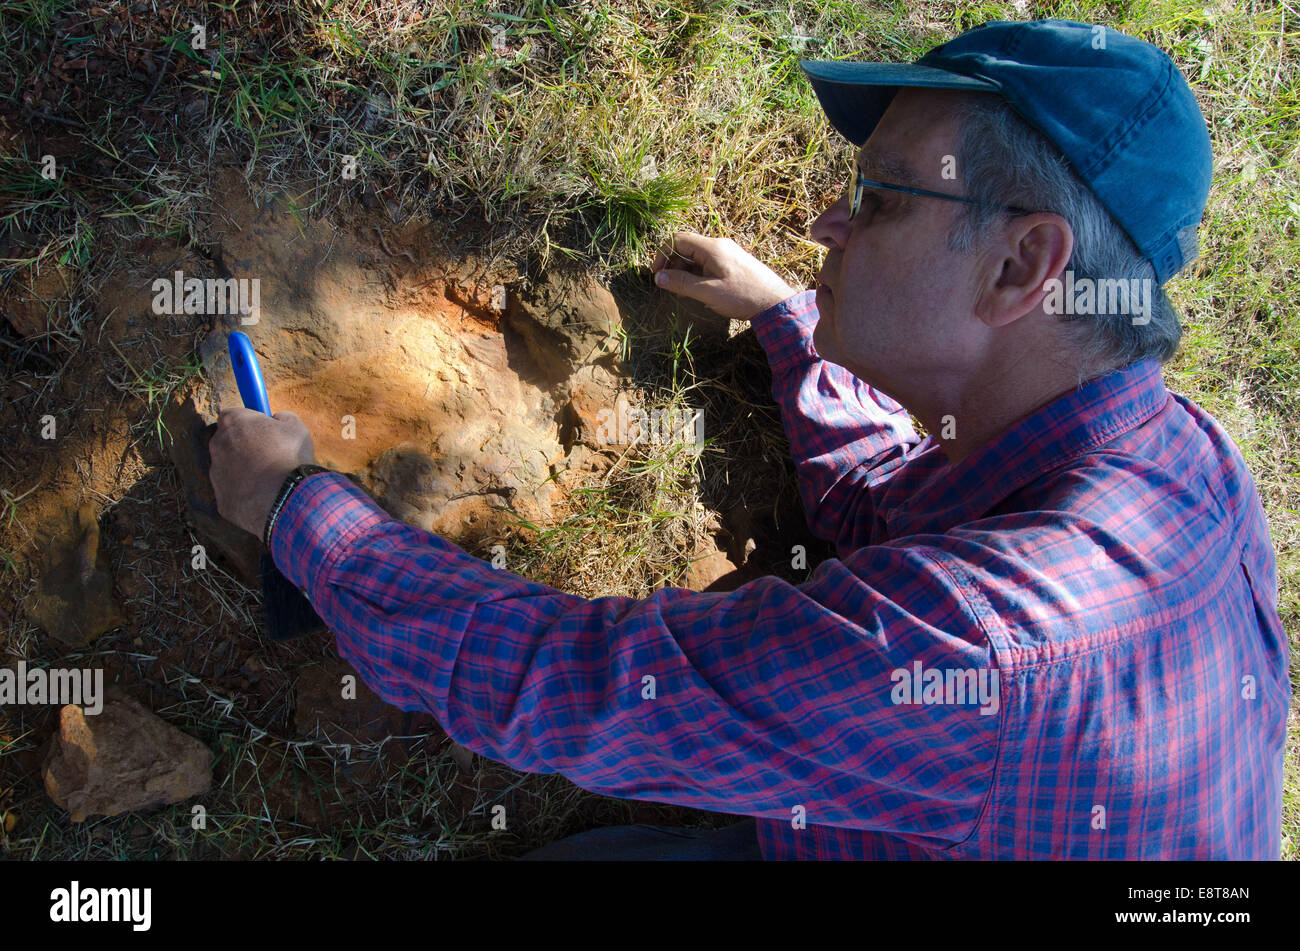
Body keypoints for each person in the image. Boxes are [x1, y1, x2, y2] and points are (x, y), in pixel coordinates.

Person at [208, 19, 1289, 859]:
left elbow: (571, 687)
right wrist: (794, 324)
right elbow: (885, 504)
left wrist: (297, 511)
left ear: (1020, 268)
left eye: (875, 201)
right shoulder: (1175, 463)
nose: (825, 223)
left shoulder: (976, 652)